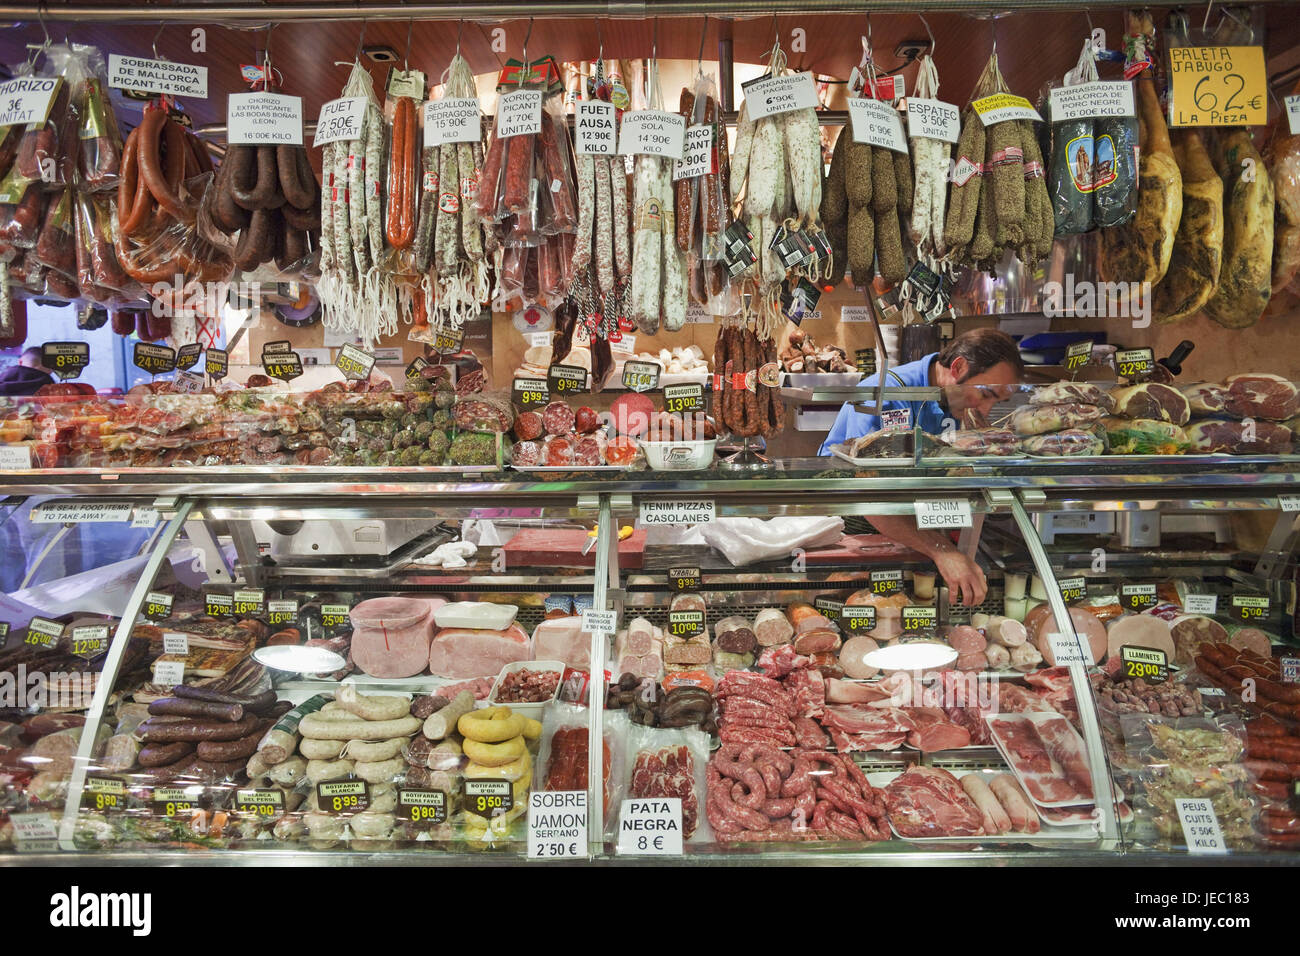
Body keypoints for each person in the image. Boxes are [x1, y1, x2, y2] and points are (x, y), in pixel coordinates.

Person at [819, 328, 1025, 607]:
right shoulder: (889, 393)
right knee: (860, 609)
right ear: (958, 367)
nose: (987, 411)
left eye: (997, 401)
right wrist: (941, 551)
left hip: (914, 528)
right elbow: (865, 495)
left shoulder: (952, 401)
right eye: (985, 394)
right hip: (853, 526)